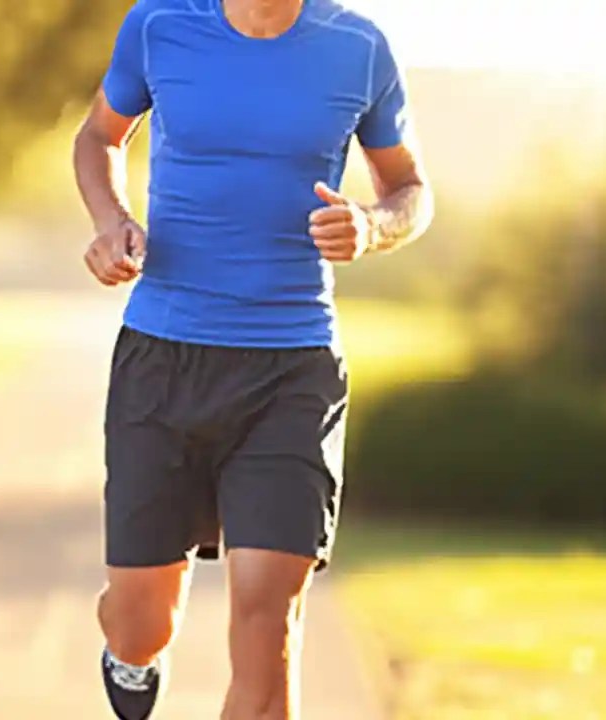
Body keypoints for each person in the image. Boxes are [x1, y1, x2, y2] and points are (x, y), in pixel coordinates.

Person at [72, 0, 433, 717]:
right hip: (163, 357)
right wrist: (112, 223)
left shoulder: (358, 47)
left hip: (291, 367)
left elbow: (411, 191)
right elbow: (98, 137)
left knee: (269, 626)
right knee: (148, 621)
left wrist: (371, 224)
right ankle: (128, 642)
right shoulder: (159, 24)